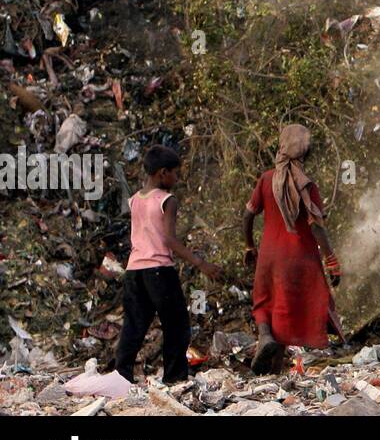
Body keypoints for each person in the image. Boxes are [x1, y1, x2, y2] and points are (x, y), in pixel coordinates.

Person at [114, 145, 221, 384]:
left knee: (133, 327)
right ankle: (174, 377)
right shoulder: (167, 200)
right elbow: (169, 240)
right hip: (159, 271)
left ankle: (121, 376)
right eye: (175, 173)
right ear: (162, 173)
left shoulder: (134, 200)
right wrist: (201, 263)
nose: (177, 178)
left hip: (134, 271)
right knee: (176, 325)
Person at [243, 124, 343, 372]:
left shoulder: (266, 180)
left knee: (264, 301)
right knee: (290, 307)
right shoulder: (307, 186)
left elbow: (247, 215)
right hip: (299, 256)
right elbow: (318, 227)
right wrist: (331, 259)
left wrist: (248, 246)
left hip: (269, 254)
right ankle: (274, 359)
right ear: (305, 152)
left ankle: (267, 344)